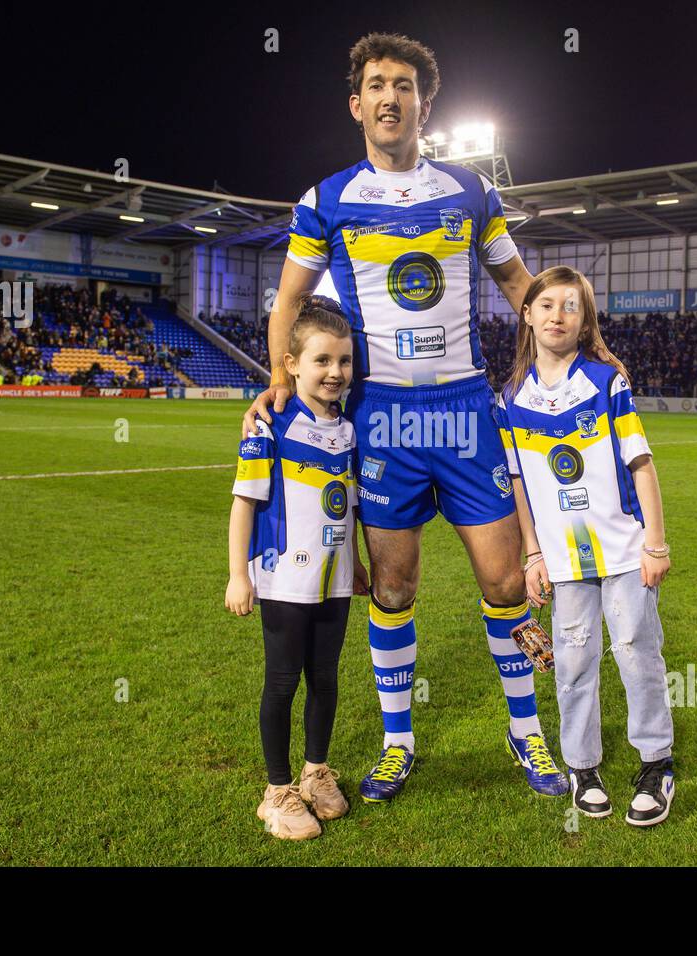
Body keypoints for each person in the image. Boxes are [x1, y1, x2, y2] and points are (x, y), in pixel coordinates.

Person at [242, 32, 568, 802]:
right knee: (391, 587)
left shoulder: (470, 191)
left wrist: (573, 335)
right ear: (356, 104)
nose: (391, 97)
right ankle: (397, 743)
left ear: (426, 103)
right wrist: (279, 379)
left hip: (463, 409)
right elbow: (289, 302)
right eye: (376, 85)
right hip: (381, 417)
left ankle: (528, 736)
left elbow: (519, 283)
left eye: (405, 86)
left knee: (501, 580)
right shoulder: (326, 199)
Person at [499, 266, 677, 827]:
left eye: (569, 307)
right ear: (526, 314)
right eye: (546, 304)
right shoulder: (510, 400)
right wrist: (532, 555)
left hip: (624, 550)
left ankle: (656, 763)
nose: (557, 315)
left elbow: (641, 464)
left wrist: (656, 543)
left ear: (584, 321)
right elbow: (521, 486)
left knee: (635, 652)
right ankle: (583, 765)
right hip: (564, 562)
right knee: (573, 663)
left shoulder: (606, 382)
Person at [226, 294, 369, 840]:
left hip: (333, 577)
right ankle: (277, 791)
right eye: (322, 361)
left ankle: (314, 772)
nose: (335, 372)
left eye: (344, 361)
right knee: (283, 682)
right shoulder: (271, 424)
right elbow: (244, 502)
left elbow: (348, 503)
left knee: (326, 679)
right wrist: (239, 575)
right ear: (291, 365)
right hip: (285, 575)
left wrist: (353, 562)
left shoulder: (347, 430)